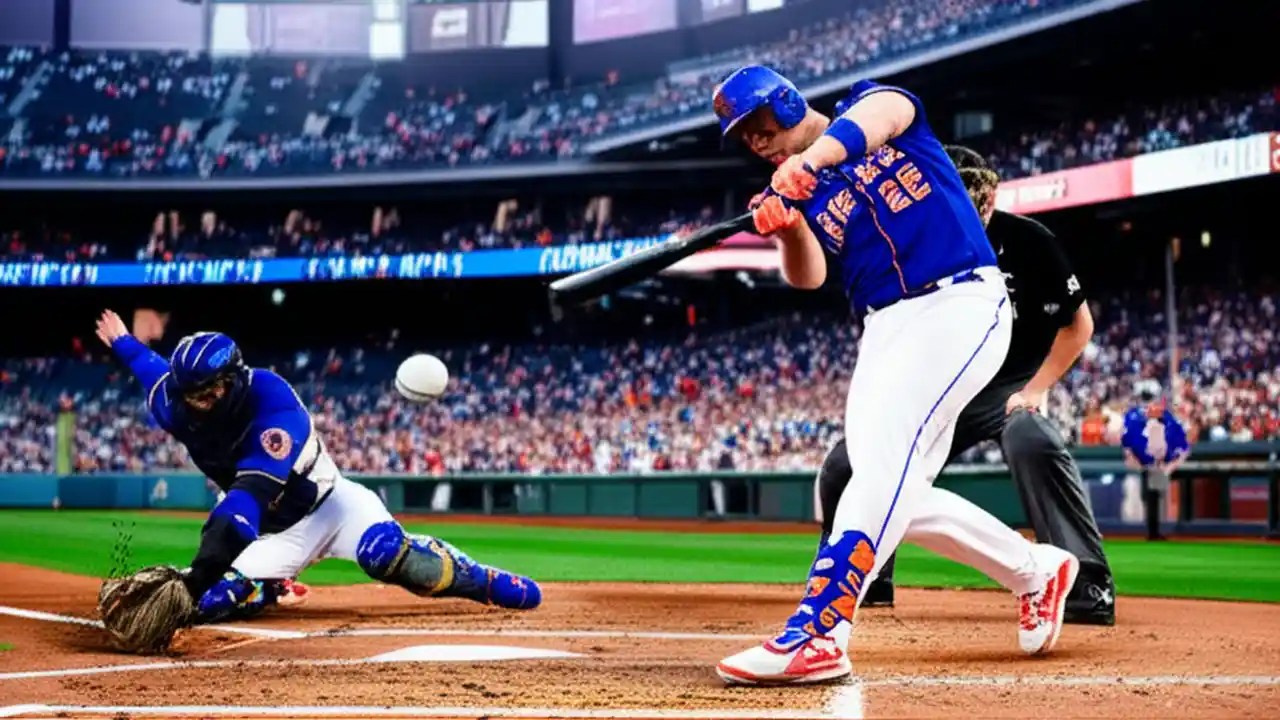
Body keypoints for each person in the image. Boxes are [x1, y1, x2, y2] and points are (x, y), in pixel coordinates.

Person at [710, 66, 1078, 686]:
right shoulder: (806, 193)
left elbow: (875, 120)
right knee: (888, 483)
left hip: (959, 300)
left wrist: (810, 164)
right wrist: (790, 224)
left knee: (880, 475)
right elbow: (809, 278)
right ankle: (1035, 570)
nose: (753, 139)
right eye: (742, 135)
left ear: (785, 101)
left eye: (757, 123)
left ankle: (822, 632)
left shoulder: (877, 106)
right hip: (884, 326)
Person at [815, 145, 1116, 626]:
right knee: (846, 463)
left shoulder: (1031, 241)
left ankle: (1085, 582)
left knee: (1032, 438)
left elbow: (1078, 325)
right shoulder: (914, 246)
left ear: (991, 197)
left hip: (1008, 387)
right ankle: (856, 577)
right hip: (941, 386)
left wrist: (1037, 387)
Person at [94, 310, 540, 625]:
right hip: (276, 532)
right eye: (191, 395)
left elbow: (243, 507)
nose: (199, 404)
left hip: (332, 507)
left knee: (388, 556)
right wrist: (121, 340)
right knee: (214, 603)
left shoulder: (273, 404)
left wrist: (193, 578)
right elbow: (148, 367)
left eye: (209, 393)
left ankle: (479, 580)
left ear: (232, 382)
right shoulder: (172, 404)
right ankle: (271, 586)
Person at [1121, 394, 1190, 541]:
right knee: (1148, 497)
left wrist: (1168, 463)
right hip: (1145, 465)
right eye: (1152, 407)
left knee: (1155, 497)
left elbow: (1177, 445)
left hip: (1160, 466)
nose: (1154, 409)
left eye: (1157, 407)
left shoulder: (1168, 423)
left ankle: (1154, 531)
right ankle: (1152, 531)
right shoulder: (1139, 423)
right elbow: (1131, 444)